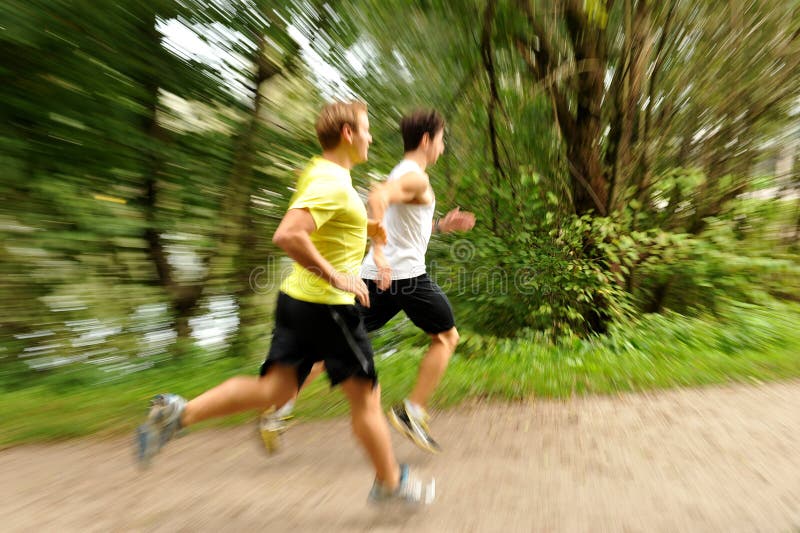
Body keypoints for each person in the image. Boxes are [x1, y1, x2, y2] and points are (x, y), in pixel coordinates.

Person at [136, 101, 434, 505]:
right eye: (365, 130)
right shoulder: (332, 183)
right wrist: (339, 276)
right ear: (348, 135)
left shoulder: (323, 172)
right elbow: (289, 235)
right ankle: (390, 483)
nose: (370, 137)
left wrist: (364, 227)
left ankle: (178, 414)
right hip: (329, 305)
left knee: (273, 390)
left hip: (297, 301)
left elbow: (323, 221)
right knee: (366, 399)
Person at [261, 109, 474, 454]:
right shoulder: (415, 177)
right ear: (426, 140)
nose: (443, 147)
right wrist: (377, 251)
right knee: (448, 337)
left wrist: (439, 227)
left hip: (380, 278)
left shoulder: (405, 173)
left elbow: (400, 222)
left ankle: (278, 408)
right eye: (442, 140)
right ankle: (412, 412)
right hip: (405, 276)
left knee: (330, 347)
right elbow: (377, 197)